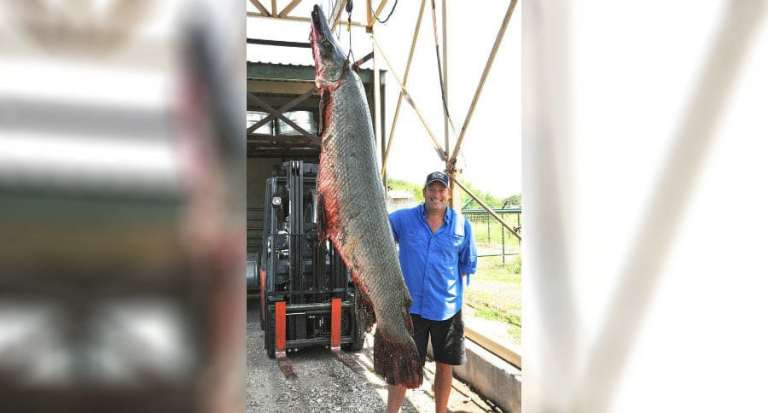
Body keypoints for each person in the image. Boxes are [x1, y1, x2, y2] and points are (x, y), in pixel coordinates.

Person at [386, 171, 478, 413]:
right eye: (432, 189)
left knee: (445, 366)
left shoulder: (462, 225)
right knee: (402, 365)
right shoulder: (403, 219)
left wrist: (457, 301)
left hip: (447, 310)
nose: (436, 194)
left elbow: (465, 267)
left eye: (441, 190)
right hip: (411, 309)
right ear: (424, 192)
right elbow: (377, 231)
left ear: (448, 194)